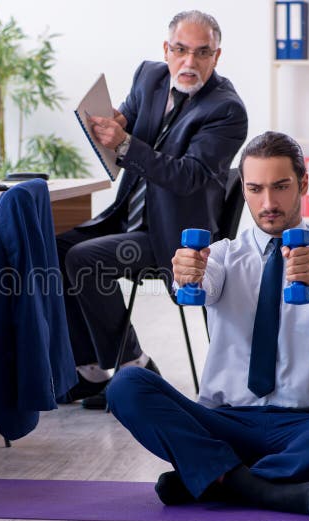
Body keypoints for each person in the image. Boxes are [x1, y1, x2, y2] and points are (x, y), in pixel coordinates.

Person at [107, 131, 309, 518]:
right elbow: (204, 281)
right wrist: (188, 273)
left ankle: (214, 477)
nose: (269, 203)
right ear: (244, 188)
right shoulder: (224, 254)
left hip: (307, 431)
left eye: (281, 187)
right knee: (126, 384)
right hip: (226, 424)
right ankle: (267, 487)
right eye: (256, 189)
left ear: (303, 183)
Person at [57, 10, 248, 407]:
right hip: (129, 215)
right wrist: (119, 120)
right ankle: (90, 369)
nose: (189, 63)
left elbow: (189, 176)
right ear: (166, 49)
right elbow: (130, 112)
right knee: (56, 250)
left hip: (176, 235)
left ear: (217, 56)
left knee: (85, 259)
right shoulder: (150, 76)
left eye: (202, 53)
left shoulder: (227, 111)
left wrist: (125, 144)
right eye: (180, 50)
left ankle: (135, 367)